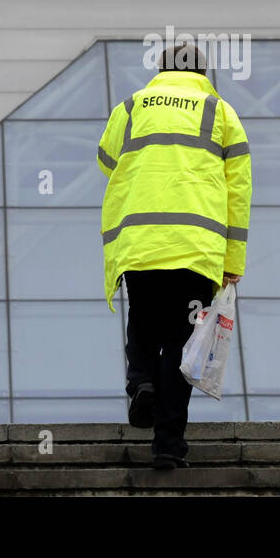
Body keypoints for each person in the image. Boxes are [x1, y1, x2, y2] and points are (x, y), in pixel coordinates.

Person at [96, 42, 251, 469]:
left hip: (142, 246)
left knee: (142, 328)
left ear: (159, 69)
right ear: (203, 73)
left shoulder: (130, 107)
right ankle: (167, 444)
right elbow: (239, 193)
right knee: (182, 349)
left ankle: (140, 383)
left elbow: (107, 161)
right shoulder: (220, 113)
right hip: (196, 253)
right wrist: (232, 261)